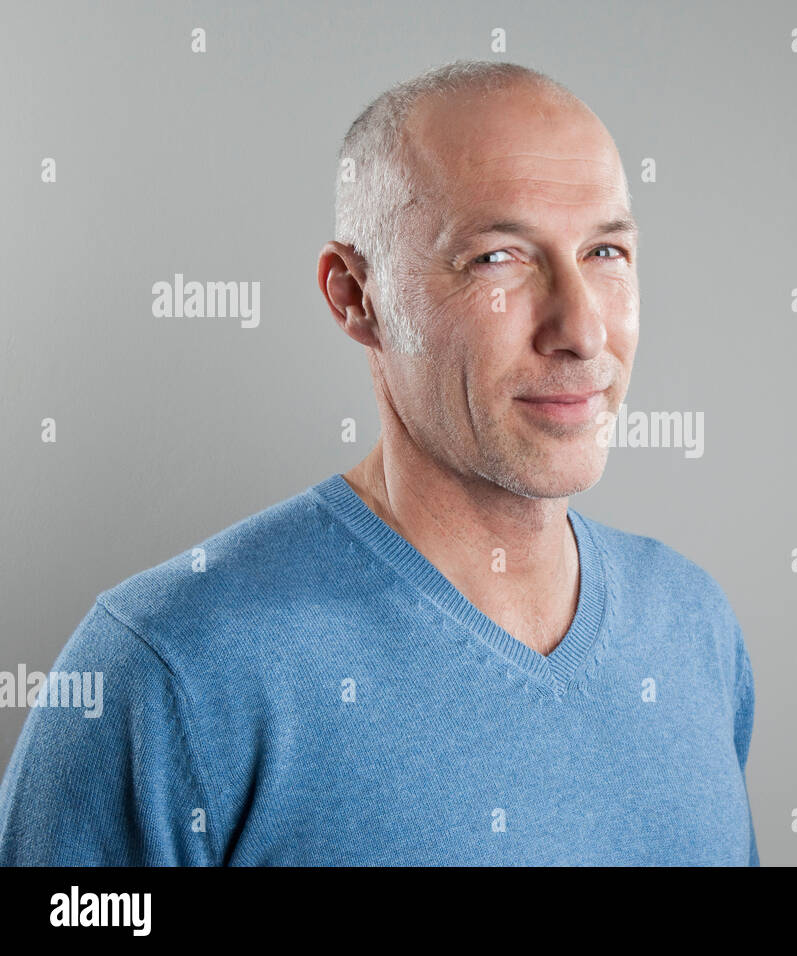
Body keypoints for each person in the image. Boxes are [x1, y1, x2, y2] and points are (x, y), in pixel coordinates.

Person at [0, 59, 758, 866]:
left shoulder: (693, 628)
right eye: (499, 258)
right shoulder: (168, 670)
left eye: (606, 252)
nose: (581, 330)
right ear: (355, 296)